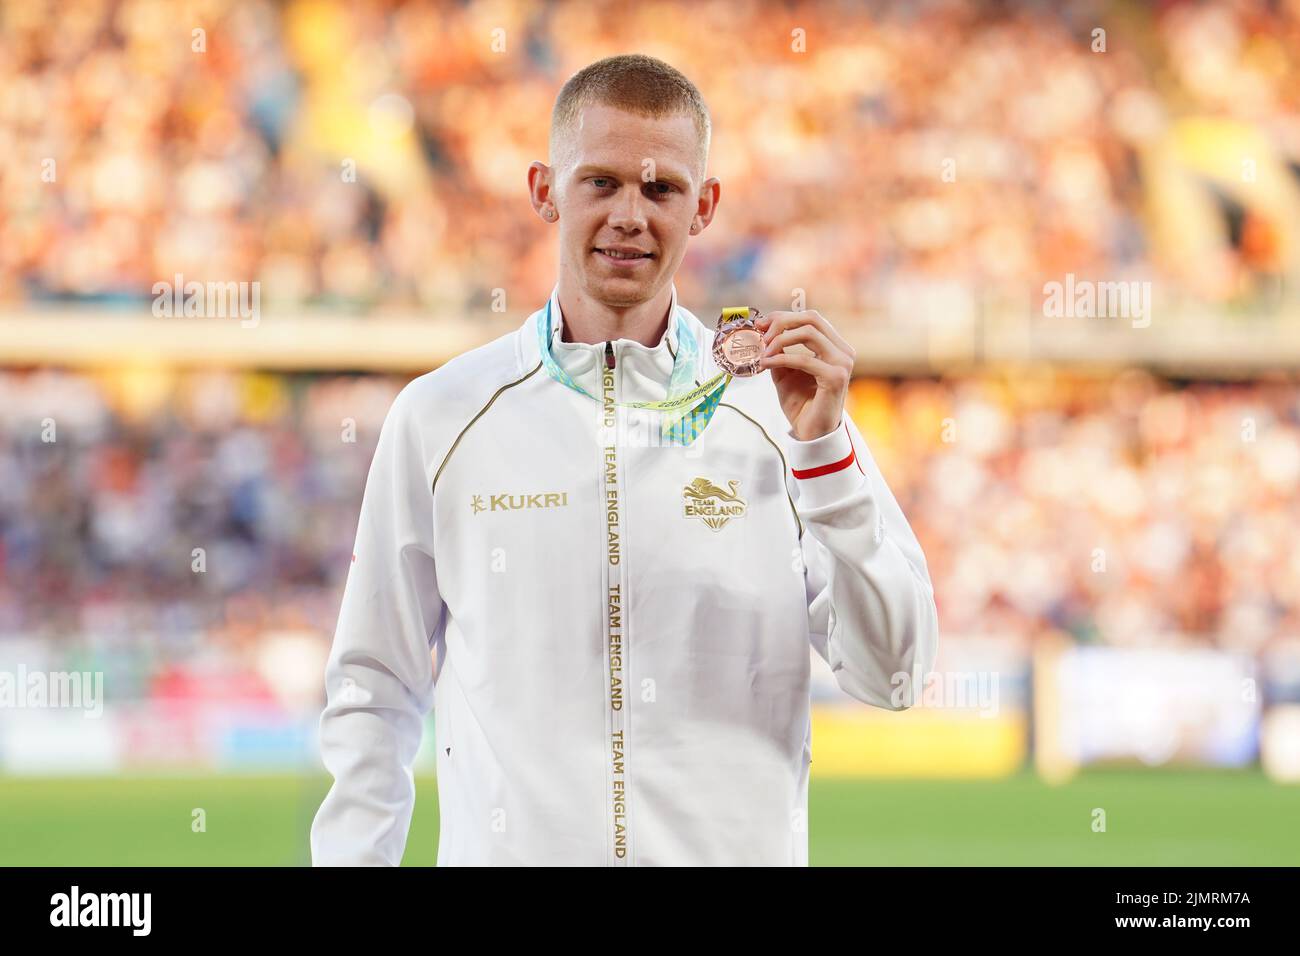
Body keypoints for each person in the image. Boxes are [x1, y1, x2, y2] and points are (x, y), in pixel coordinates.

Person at [310, 53, 939, 866]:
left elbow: (895, 675)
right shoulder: (442, 418)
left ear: (704, 205)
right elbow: (374, 684)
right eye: (600, 183)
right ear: (545, 190)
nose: (630, 215)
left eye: (661, 189)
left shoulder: (781, 414)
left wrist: (825, 459)